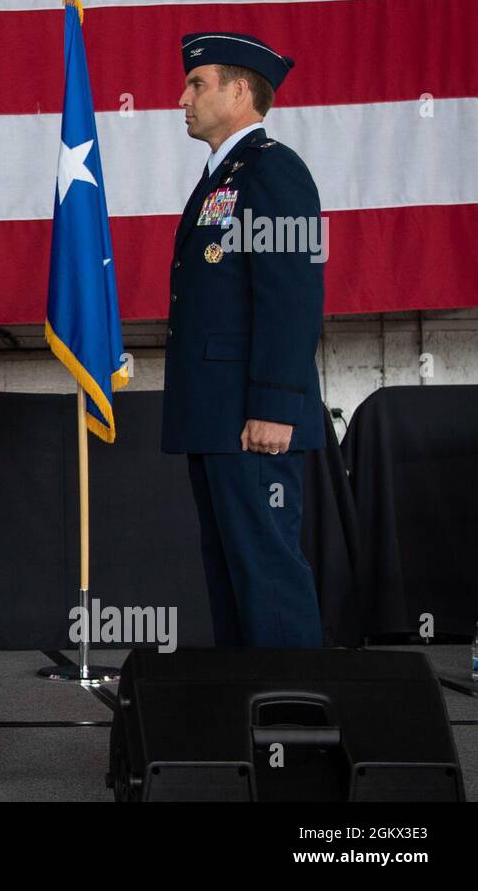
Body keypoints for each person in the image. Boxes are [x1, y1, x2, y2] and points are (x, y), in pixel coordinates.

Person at [163, 32, 325, 648]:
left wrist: (275, 404)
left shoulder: (272, 169)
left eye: (197, 84)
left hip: (253, 418)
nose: (183, 97)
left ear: (238, 90)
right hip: (217, 413)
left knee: (267, 577)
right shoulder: (223, 175)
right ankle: (250, 721)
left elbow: (291, 297)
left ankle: (298, 731)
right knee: (232, 576)